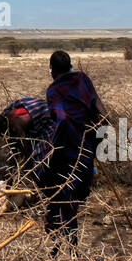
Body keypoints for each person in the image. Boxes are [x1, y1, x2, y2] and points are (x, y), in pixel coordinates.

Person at [42, 50, 102, 244]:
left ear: (52, 70)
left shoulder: (54, 90)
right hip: (88, 141)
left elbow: (61, 117)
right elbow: (98, 105)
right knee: (74, 192)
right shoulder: (82, 79)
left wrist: (56, 144)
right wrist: (103, 127)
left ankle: (65, 239)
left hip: (68, 146)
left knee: (66, 192)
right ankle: (68, 240)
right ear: (70, 66)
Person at [0, 96, 57, 185]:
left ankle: (44, 184)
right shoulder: (6, 113)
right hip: (36, 105)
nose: (2, 136)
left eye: (1, 133)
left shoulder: (17, 126)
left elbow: (22, 152)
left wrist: (23, 170)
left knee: (40, 161)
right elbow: (15, 150)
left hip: (45, 116)